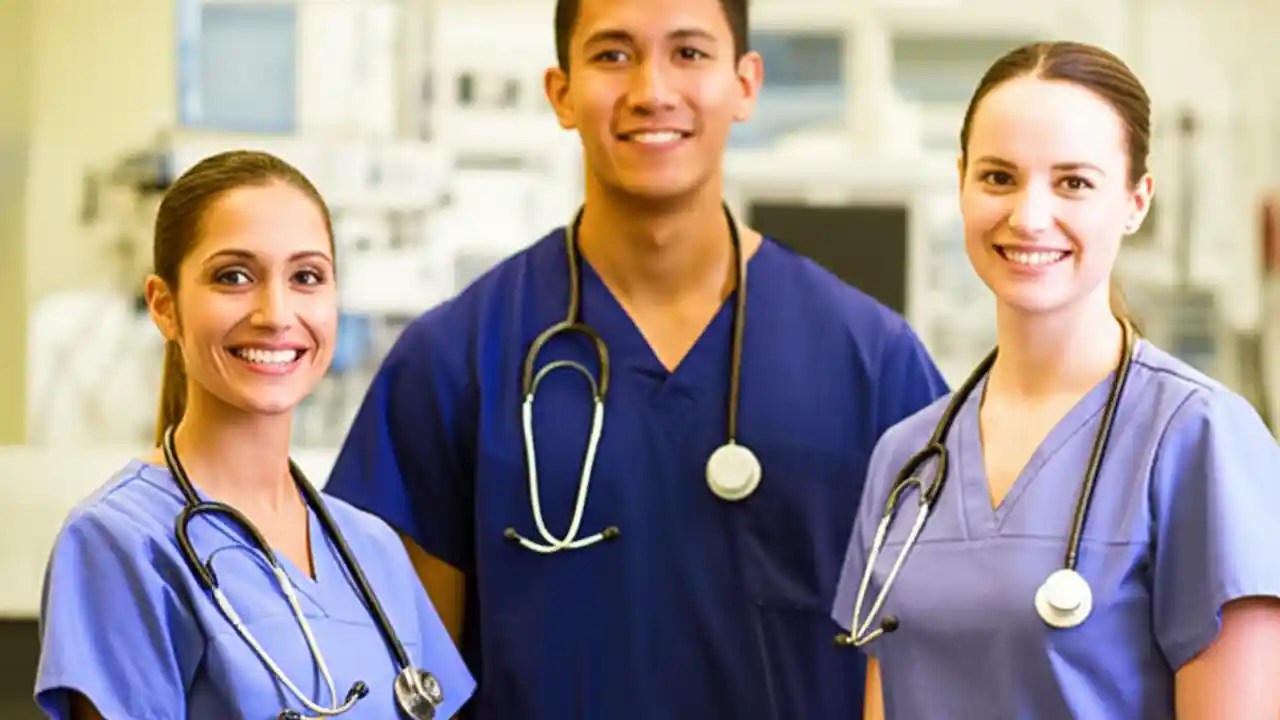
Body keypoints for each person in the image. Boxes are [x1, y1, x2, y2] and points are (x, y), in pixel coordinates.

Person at [322, 0, 948, 717]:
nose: (652, 90)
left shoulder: (872, 363)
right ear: (559, 92)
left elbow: (929, 653)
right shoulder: (453, 361)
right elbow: (402, 680)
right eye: (613, 55)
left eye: (689, 53)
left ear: (746, 84)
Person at [831, 41, 1280, 719]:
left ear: (1136, 201)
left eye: (1073, 182)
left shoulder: (1200, 440)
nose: (1029, 216)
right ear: (961, 184)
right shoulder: (909, 458)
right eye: (999, 177)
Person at [34, 150, 475, 720]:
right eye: (234, 276)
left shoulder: (373, 551)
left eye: (306, 276)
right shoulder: (120, 543)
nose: (276, 311)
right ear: (164, 307)